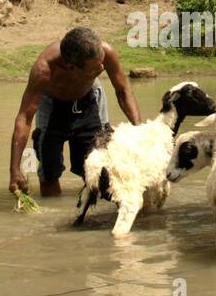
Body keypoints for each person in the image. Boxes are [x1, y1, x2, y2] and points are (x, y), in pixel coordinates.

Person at [9, 27, 141, 197]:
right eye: (95, 68)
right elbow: (25, 118)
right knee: (49, 171)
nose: (102, 68)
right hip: (52, 107)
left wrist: (139, 132)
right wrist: (14, 170)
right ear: (71, 67)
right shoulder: (44, 70)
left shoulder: (105, 52)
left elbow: (123, 91)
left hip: (89, 101)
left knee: (100, 167)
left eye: (102, 62)